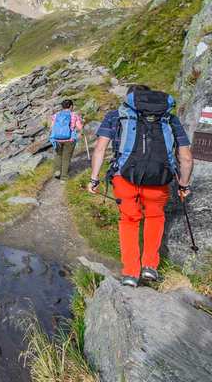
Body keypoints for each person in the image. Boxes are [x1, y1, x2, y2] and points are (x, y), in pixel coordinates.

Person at [86, 85, 193, 287]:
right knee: (155, 217)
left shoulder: (116, 115)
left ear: (129, 99)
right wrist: (183, 184)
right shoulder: (168, 118)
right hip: (159, 178)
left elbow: (100, 149)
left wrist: (94, 178)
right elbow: (186, 157)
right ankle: (150, 266)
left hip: (124, 177)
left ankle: (130, 273)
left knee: (129, 220)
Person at [50, 99, 83, 179]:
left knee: (58, 155)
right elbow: (79, 127)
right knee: (66, 158)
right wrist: (82, 124)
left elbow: (52, 127)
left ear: (62, 106)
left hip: (57, 139)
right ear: (71, 106)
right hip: (70, 139)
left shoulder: (56, 115)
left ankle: (57, 171)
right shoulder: (74, 115)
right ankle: (64, 177)